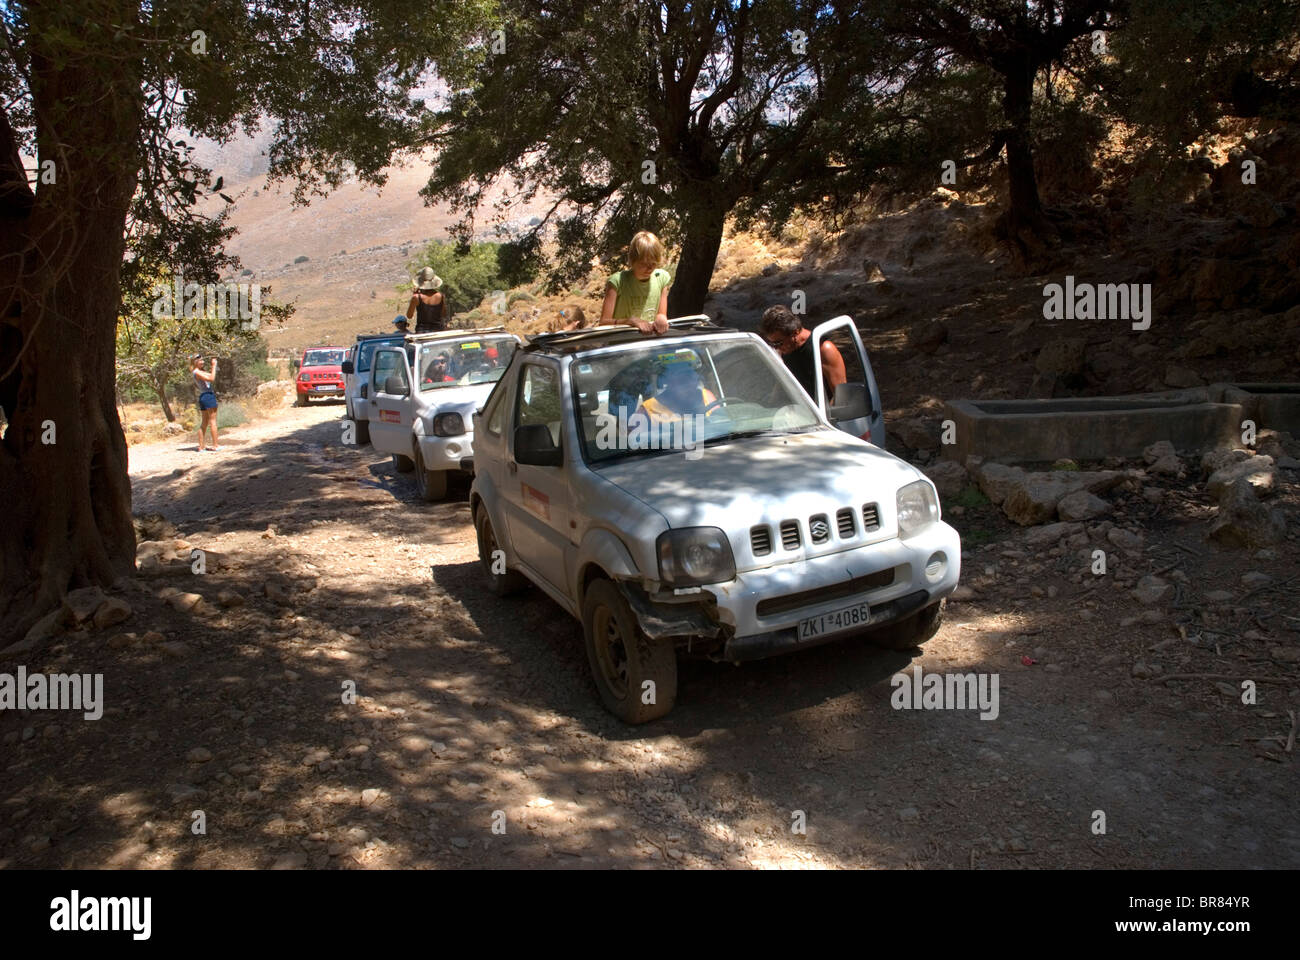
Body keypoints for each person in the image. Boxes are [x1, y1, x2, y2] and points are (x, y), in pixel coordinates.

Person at [758, 305, 846, 407]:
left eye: (779, 343)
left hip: (826, 417)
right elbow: (783, 382)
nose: (777, 348)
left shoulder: (823, 349)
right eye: (773, 344)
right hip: (800, 414)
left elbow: (840, 396)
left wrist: (822, 418)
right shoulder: (784, 350)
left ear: (794, 333)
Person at [600, 231, 671, 334]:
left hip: (649, 342)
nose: (649, 268)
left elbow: (661, 314)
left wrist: (661, 318)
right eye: (644, 264)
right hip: (623, 343)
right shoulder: (618, 281)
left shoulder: (661, 278)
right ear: (633, 260)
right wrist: (630, 321)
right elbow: (604, 323)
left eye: (653, 263)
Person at [635, 353, 717, 424]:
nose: (690, 384)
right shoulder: (648, 409)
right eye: (683, 379)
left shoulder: (706, 396)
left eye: (692, 376)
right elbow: (631, 439)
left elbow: (721, 423)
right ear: (668, 381)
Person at [189, 354, 219, 451]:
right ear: (195, 362)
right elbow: (211, 378)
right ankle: (215, 445)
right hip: (208, 396)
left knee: (205, 422)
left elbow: (210, 375)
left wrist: (212, 367)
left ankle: (201, 446)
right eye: (200, 361)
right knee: (212, 421)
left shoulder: (198, 371)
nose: (202, 362)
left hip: (204, 396)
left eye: (202, 360)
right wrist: (214, 366)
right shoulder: (197, 372)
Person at [407, 267, 449, 333]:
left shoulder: (416, 297)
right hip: (438, 330)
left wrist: (414, 296)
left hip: (422, 331)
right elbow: (444, 314)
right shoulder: (440, 296)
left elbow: (409, 316)